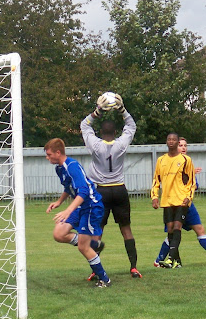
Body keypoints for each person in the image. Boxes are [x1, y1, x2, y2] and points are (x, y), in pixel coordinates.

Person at [80, 92, 142, 279]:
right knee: (126, 229)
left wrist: (98, 111)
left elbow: (84, 125)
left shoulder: (95, 145)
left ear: (100, 133)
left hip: (101, 191)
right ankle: (133, 267)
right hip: (119, 189)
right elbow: (131, 126)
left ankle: (95, 270)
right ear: (115, 133)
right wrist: (122, 110)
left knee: (98, 231)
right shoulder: (121, 144)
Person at [44, 138, 111, 287]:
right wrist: (59, 202)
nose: (47, 157)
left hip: (91, 206)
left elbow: (84, 191)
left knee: (83, 247)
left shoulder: (72, 166)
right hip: (80, 207)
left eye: (49, 154)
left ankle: (104, 279)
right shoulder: (59, 168)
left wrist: (68, 210)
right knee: (59, 233)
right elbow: (69, 188)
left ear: (58, 152)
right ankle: (94, 244)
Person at [154, 137, 206, 267]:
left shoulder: (187, 162)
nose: (183, 148)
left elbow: (192, 185)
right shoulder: (166, 162)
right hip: (173, 203)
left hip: (187, 203)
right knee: (172, 233)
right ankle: (161, 260)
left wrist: (192, 174)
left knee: (199, 229)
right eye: (180, 145)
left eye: (185, 145)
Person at [150, 132, 195, 269]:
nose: (171, 141)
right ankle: (178, 261)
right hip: (166, 201)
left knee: (177, 227)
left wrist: (189, 197)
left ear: (177, 142)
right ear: (166, 142)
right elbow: (156, 180)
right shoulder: (161, 160)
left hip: (181, 199)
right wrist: (154, 196)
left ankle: (170, 259)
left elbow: (191, 182)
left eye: (174, 139)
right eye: (169, 139)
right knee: (170, 229)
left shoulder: (186, 160)